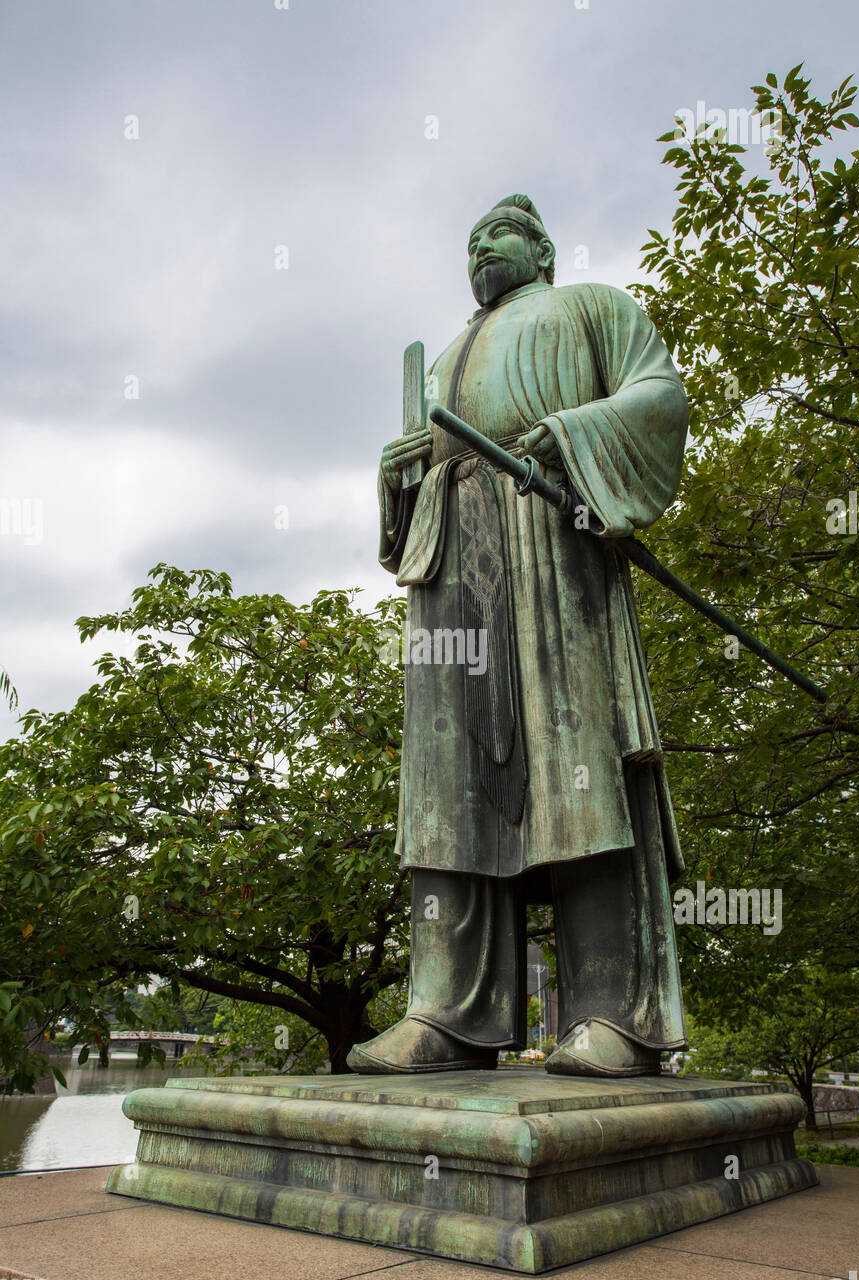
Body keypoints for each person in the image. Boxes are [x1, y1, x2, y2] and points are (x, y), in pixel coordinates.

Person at [348, 194, 689, 1078]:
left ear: (540, 247)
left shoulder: (592, 308)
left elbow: (660, 397)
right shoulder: (447, 354)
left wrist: (573, 437)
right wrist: (401, 478)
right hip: (454, 558)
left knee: (580, 775)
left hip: (551, 538)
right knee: (445, 792)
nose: (480, 252)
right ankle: (447, 1011)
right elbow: (415, 490)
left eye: (495, 234)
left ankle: (615, 1013)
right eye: (468, 244)